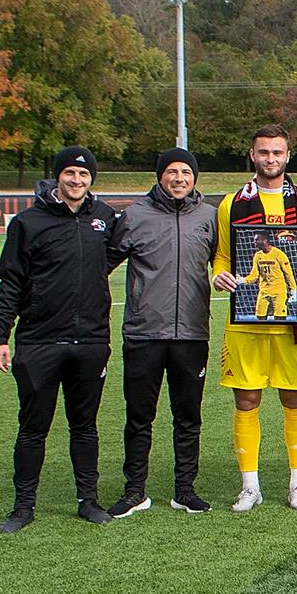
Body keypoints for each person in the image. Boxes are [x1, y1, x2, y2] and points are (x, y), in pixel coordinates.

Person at [0, 147, 120, 533]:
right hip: (39, 341)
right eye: (69, 174)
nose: (76, 181)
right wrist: (0, 336)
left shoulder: (105, 218)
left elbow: (110, 261)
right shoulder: (28, 222)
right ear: (57, 177)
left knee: (85, 425)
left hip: (91, 340)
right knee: (33, 427)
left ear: (91, 179)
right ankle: (23, 507)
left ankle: (88, 500)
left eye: (83, 175)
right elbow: (10, 283)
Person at [212, 125, 297, 512]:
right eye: (264, 152)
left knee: (294, 399)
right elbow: (225, 257)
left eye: (277, 152)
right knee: (246, 400)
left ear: (288, 155)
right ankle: (250, 486)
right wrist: (218, 275)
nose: (270, 159)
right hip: (245, 319)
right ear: (252, 154)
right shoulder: (231, 204)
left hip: (292, 319)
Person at [104, 147, 218, 517]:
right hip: (144, 333)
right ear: (160, 176)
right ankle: (134, 490)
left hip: (192, 334)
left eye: (186, 172)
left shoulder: (209, 217)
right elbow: (100, 265)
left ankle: (185, 489)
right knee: (139, 416)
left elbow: (228, 264)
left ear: (194, 177)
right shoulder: (135, 216)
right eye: (172, 172)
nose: (179, 179)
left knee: (188, 416)